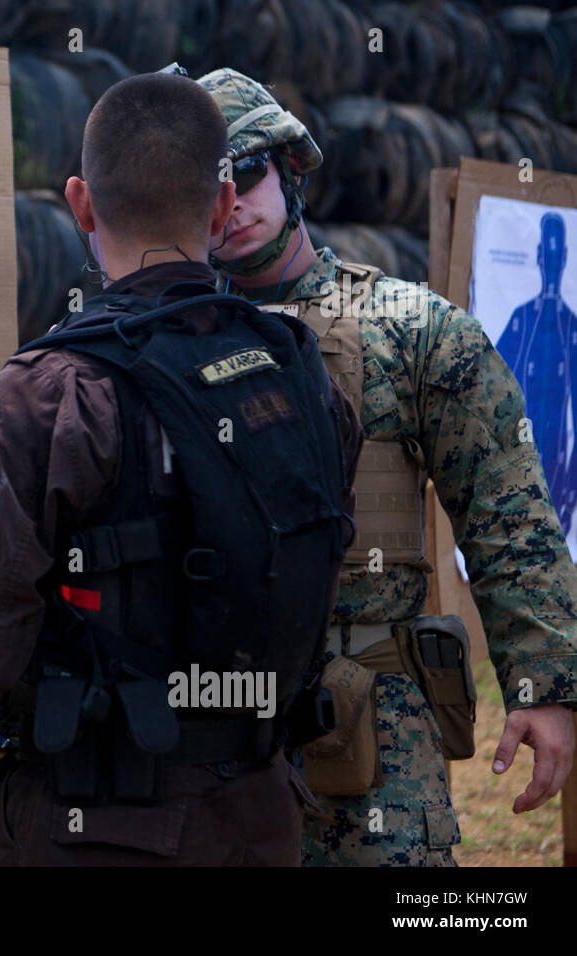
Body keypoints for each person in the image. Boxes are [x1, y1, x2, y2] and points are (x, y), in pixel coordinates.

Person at [0, 71, 361, 866]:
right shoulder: (303, 373)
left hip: (95, 825)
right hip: (263, 816)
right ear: (218, 205)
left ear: (78, 204)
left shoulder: (46, 393)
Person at [197, 66, 577, 866]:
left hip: (375, 727)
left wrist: (544, 687)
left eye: (247, 173)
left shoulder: (411, 328)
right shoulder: (165, 345)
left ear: (292, 170)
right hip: (209, 727)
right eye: (205, 183)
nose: (228, 204)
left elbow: (508, 514)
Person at [496, 212, 577, 534]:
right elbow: (491, 394)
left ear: (565, 258)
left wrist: (571, 487)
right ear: (540, 257)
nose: (553, 264)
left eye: (559, 256)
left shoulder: (571, 328)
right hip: (516, 471)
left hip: (556, 476)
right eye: (549, 255)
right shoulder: (522, 320)